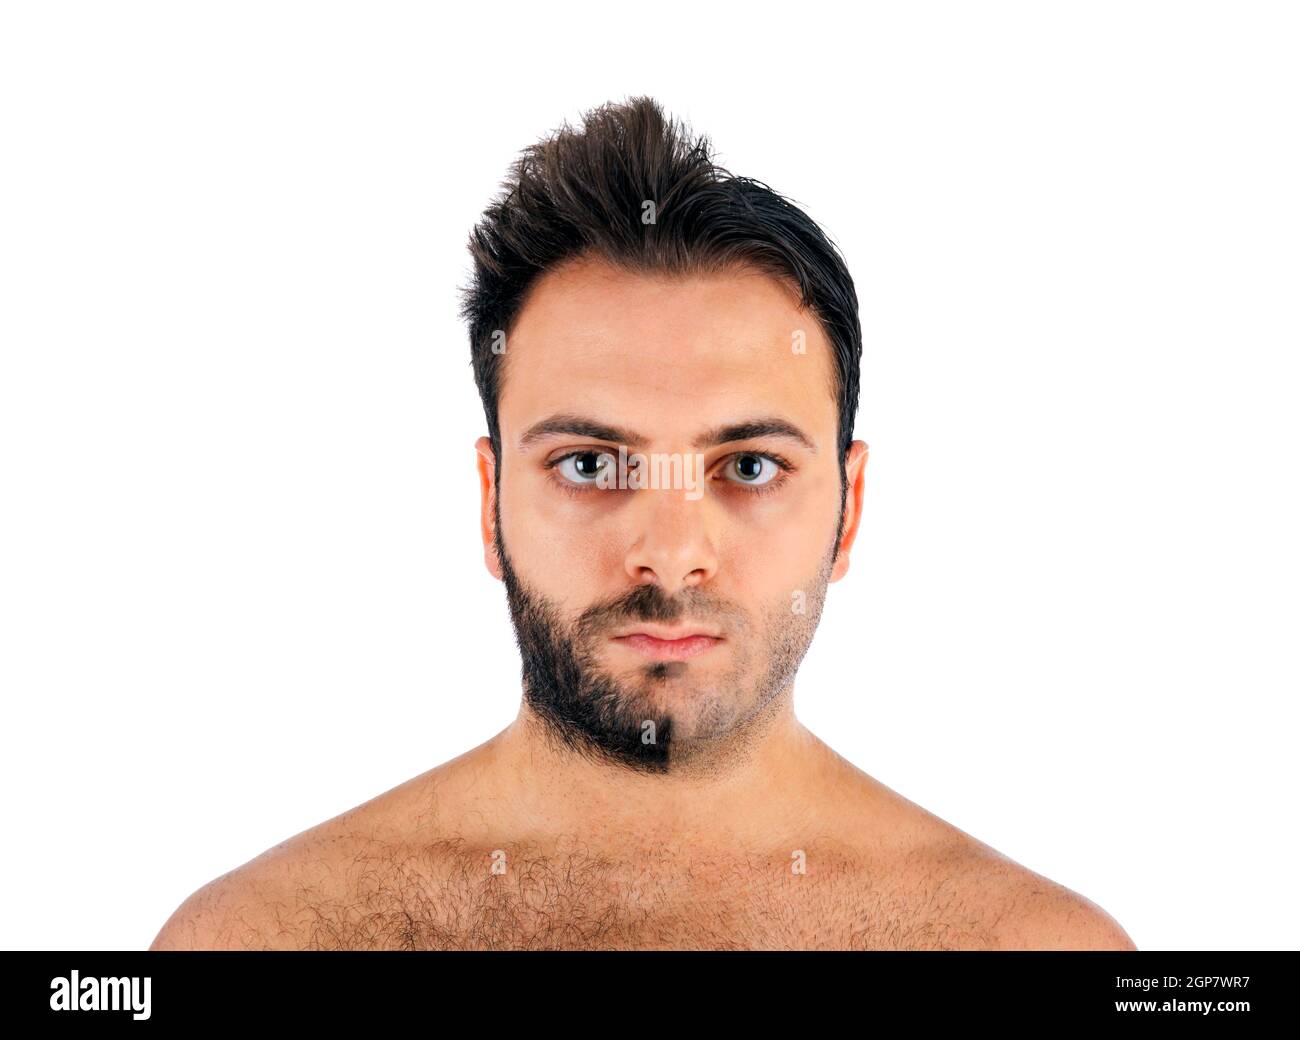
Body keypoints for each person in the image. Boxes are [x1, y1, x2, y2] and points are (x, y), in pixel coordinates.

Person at [150, 96, 1136, 950]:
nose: (669, 552)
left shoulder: (1032, 945)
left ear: (848, 510)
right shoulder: (266, 935)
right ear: (490, 503)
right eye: (587, 464)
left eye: (749, 467)